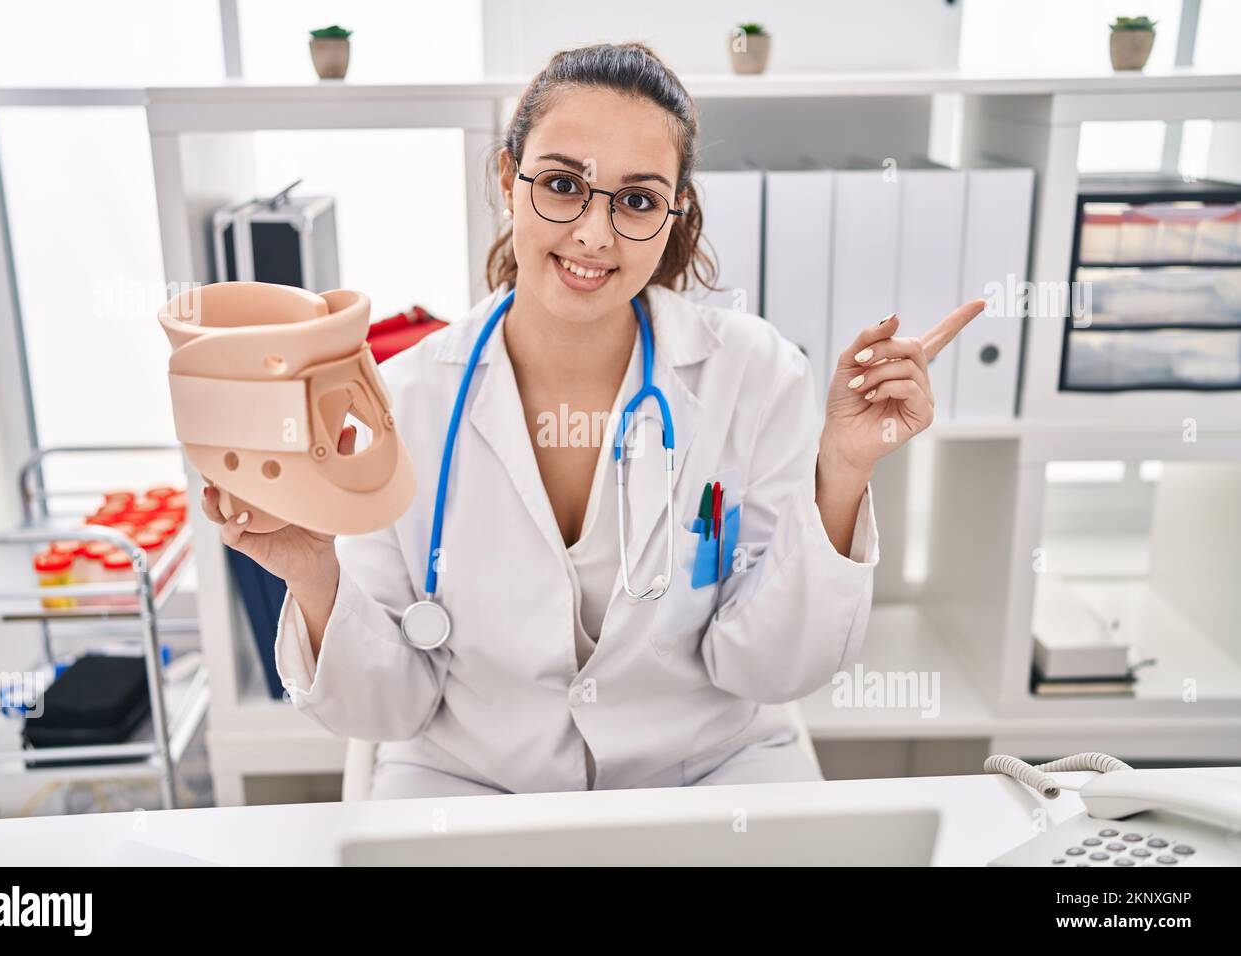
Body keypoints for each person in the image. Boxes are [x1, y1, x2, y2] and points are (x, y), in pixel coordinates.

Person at [202, 41, 985, 799]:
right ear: (509, 176)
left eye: (638, 200)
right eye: (563, 184)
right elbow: (389, 709)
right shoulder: (399, 400)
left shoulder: (754, 374)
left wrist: (843, 468)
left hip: (710, 776)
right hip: (472, 781)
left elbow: (768, 670)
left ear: (675, 214)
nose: (594, 234)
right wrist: (313, 574)